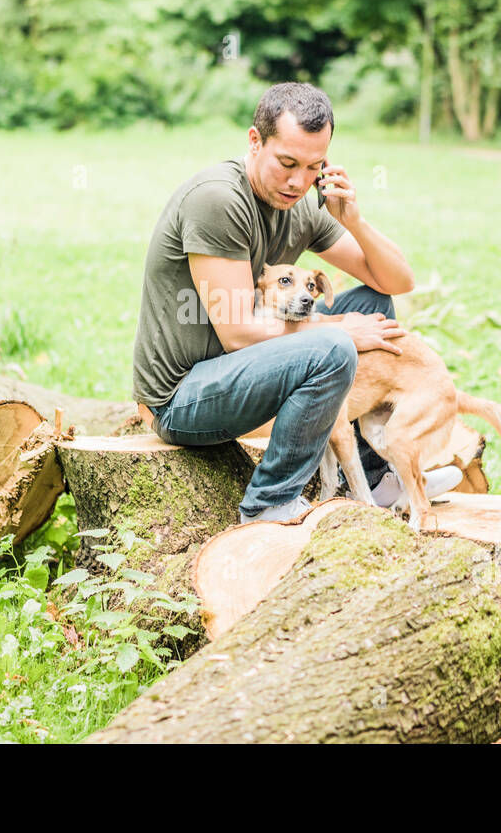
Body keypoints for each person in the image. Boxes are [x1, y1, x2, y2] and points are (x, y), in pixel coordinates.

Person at [131, 82, 461, 523]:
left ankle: (375, 476)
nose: (298, 181)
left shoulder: (299, 206)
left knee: (372, 302)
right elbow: (236, 331)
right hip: (182, 398)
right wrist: (337, 330)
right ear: (255, 141)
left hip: (247, 374)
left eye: (313, 167)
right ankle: (270, 501)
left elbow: (397, 282)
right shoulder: (219, 200)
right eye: (287, 163)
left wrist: (354, 221)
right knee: (334, 345)